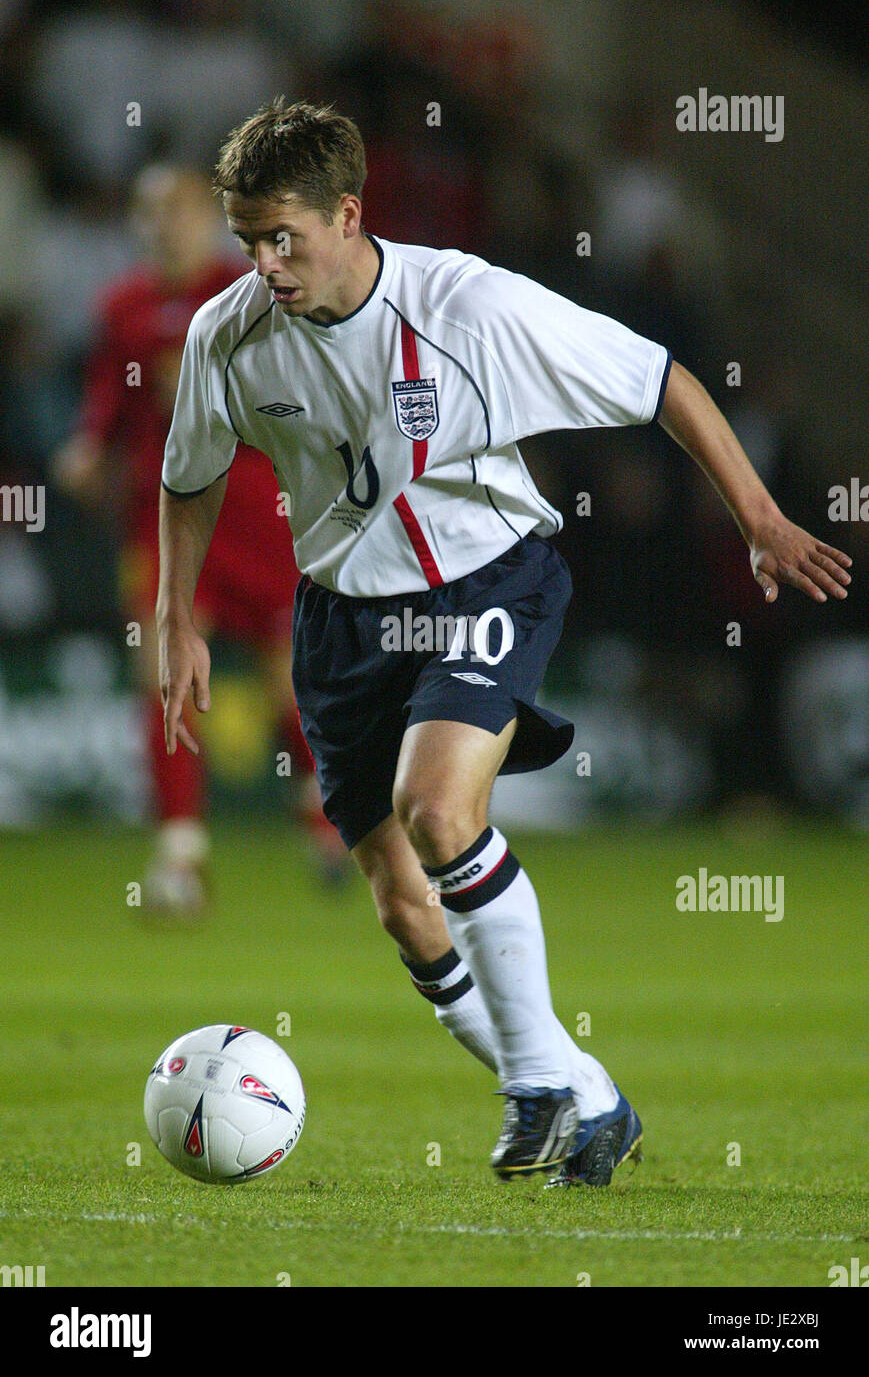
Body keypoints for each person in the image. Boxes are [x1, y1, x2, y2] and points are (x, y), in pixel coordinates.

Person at [157, 102, 851, 1182]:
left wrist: (755, 515)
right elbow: (188, 476)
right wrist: (173, 615)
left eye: (283, 236)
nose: (263, 262)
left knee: (438, 810)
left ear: (348, 213)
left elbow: (657, 379)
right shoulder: (228, 332)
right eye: (247, 239)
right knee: (398, 899)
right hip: (342, 614)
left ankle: (530, 1079)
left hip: (484, 576)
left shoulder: (466, 305)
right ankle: (586, 1092)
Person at [54, 163, 345, 917]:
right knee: (165, 674)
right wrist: (85, 450)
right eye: (148, 212)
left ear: (206, 218)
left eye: (177, 210)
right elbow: (104, 407)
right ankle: (181, 853)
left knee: (292, 679)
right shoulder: (122, 307)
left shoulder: (252, 292)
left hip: (257, 514)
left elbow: (303, 397)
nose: (162, 224)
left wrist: (218, 386)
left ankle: (321, 816)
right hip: (164, 522)